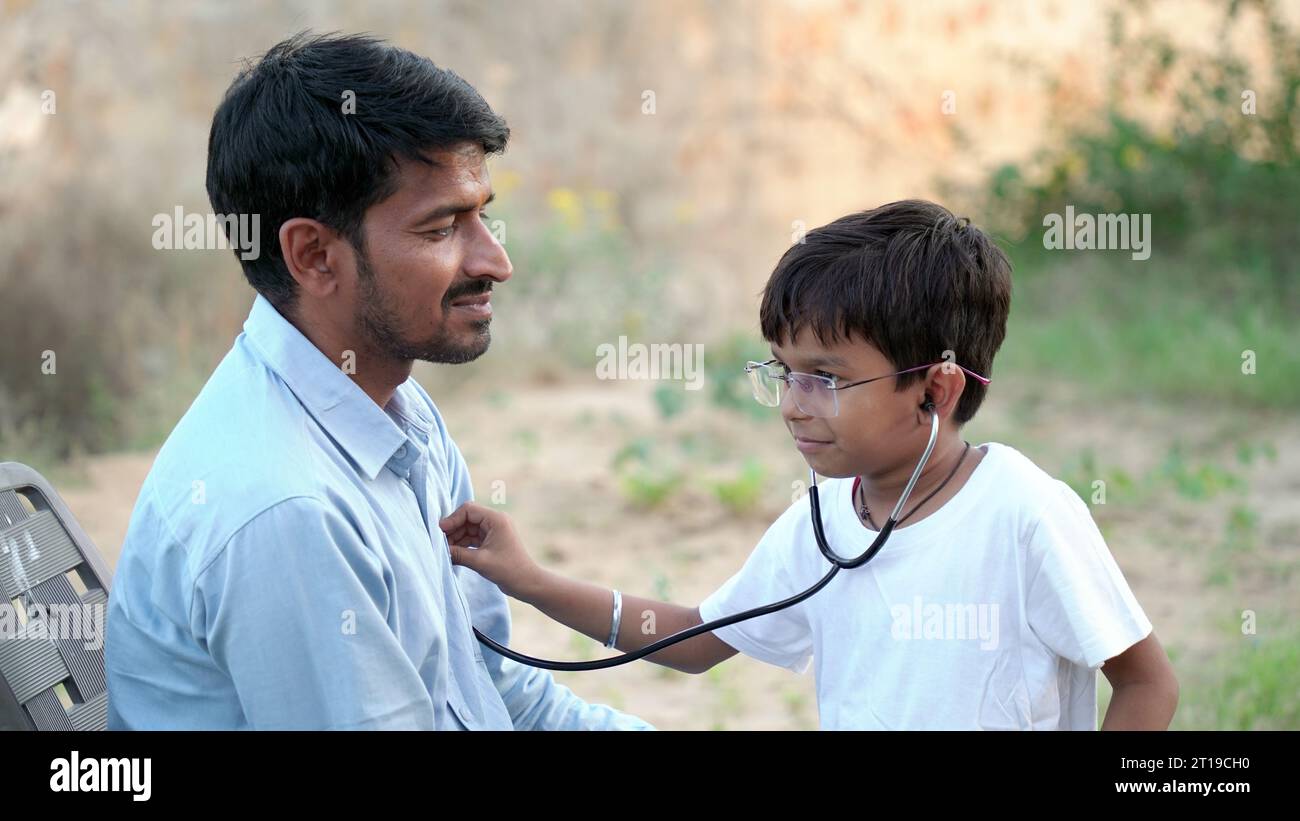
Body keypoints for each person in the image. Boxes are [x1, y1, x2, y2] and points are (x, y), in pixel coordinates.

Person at [439, 199, 1180, 730]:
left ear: (935, 388)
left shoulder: (1023, 511)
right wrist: (530, 580)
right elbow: (696, 640)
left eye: (824, 378)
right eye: (783, 372)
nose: (793, 404)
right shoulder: (824, 521)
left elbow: (1147, 685)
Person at [104, 31, 652, 730]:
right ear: (314, 256)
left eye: (482, 214)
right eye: (441, 228)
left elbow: (495, 694)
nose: (496, 261)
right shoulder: (287, 509)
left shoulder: (397, 413)